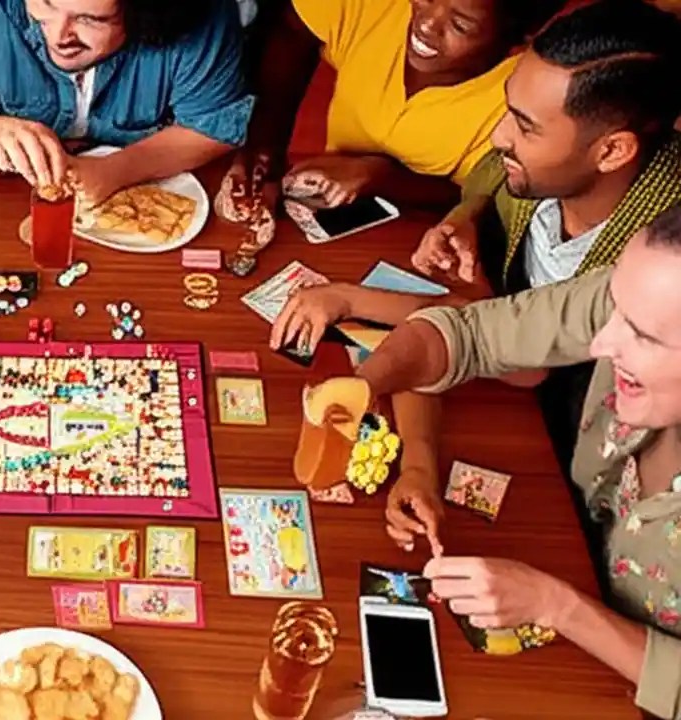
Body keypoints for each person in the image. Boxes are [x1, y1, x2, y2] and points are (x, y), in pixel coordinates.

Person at [271, 0, 681, 542]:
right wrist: (468, 213)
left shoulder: (653, 261)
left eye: (526, 127)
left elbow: (517, 356)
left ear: (612, 151)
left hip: (577, 481)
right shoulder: (539, 179)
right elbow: (468, 328)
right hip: (496, 409)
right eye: (510, 112)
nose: (497, 136)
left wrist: (351, 300)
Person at [353, 203, 681, 719]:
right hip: (556, 571)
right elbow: (468, 333)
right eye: (613, 307)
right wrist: (358, 390)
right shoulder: (648, 291)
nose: (600, 341)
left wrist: (559, 606)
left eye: (642, 334)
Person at [221, 0, 561, 217]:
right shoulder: (378, 6)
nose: (426, 24)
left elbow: (476, 199)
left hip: (418, 234)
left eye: (460, 25)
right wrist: (266, 143)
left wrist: (377, 175)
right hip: (317, 213)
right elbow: (294, 29)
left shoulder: (522, 100)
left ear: (520, 36)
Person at [0, 0, 253, 203]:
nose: (59, 35)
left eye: (91, 19)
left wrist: (116, 170)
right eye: (45, 3)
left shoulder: (201, 12)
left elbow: (213, 128)